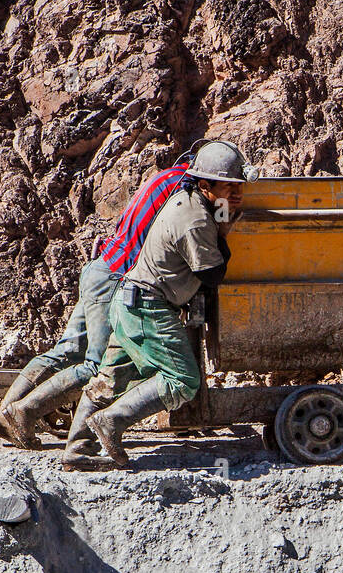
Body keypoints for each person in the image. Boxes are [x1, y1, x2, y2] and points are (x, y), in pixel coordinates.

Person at [62, 140, 255, 471]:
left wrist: (220, 222)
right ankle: (111, 422)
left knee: (109, 379)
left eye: (239, 184)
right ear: (205, 185)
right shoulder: (194, 220)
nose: (237, 192)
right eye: (229, 185)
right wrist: (223, 235)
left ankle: (77, 450)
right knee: (183, 380)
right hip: (148, 307)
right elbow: (212, 275)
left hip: (128, 303)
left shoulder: (192, 201)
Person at [0, 158, 191, 449]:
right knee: (96, 366)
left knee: (68, 350)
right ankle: (22, 412)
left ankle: (4, 415)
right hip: (118, 276)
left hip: (101, 267)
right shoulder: (183, 189)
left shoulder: (164, 177)